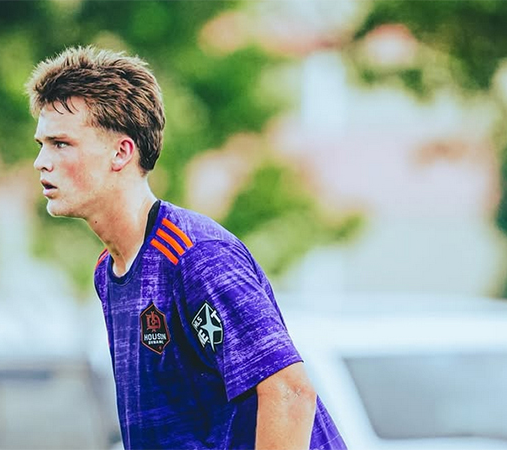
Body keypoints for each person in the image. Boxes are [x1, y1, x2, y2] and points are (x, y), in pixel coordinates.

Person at [25, 46, 346, 450]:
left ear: (121, 152)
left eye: (60, 143)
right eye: (42, 144)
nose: (41, 161)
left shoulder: (197, 256)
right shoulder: (108, 271)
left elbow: (291, 393)